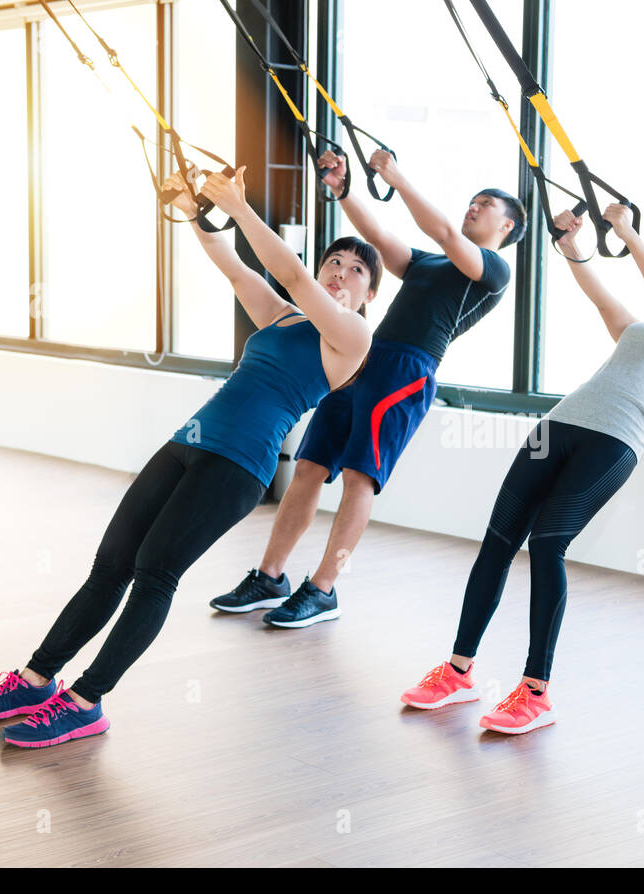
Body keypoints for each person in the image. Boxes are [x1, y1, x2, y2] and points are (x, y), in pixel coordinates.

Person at [0, 166, 380, 747]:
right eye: (336, 261)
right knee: (110, 564)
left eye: (357, 271)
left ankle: (85, 701)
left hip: (240, 467)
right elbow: (230, 261)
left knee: (156, 573)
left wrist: (240, 204)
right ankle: (34, 679)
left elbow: (291, 273)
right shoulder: (283, 316)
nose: (341, 273)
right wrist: (194, 209)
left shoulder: (352, 339)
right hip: (188, 442)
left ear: (368, 296)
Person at [400, 204, 644, 733]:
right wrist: (573, 247)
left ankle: (536, 692)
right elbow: (601, 296)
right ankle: (457, 672)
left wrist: (629, 233)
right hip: (556, 429)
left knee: (547, 544)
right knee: (497, 541)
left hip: (614, 443)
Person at [209, 148, 526, 628]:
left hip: (407, 372)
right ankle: (270, 577)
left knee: (360, 478)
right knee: (310, 467)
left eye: (487, 204)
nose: (474, 207)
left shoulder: (493, 271)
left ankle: (322, 589)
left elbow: (441, 229)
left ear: (507, 228)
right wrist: (344, 189)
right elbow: (378, 239)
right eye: (473, 200)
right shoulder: (428, 262)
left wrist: (396, 177)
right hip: (360, 358)